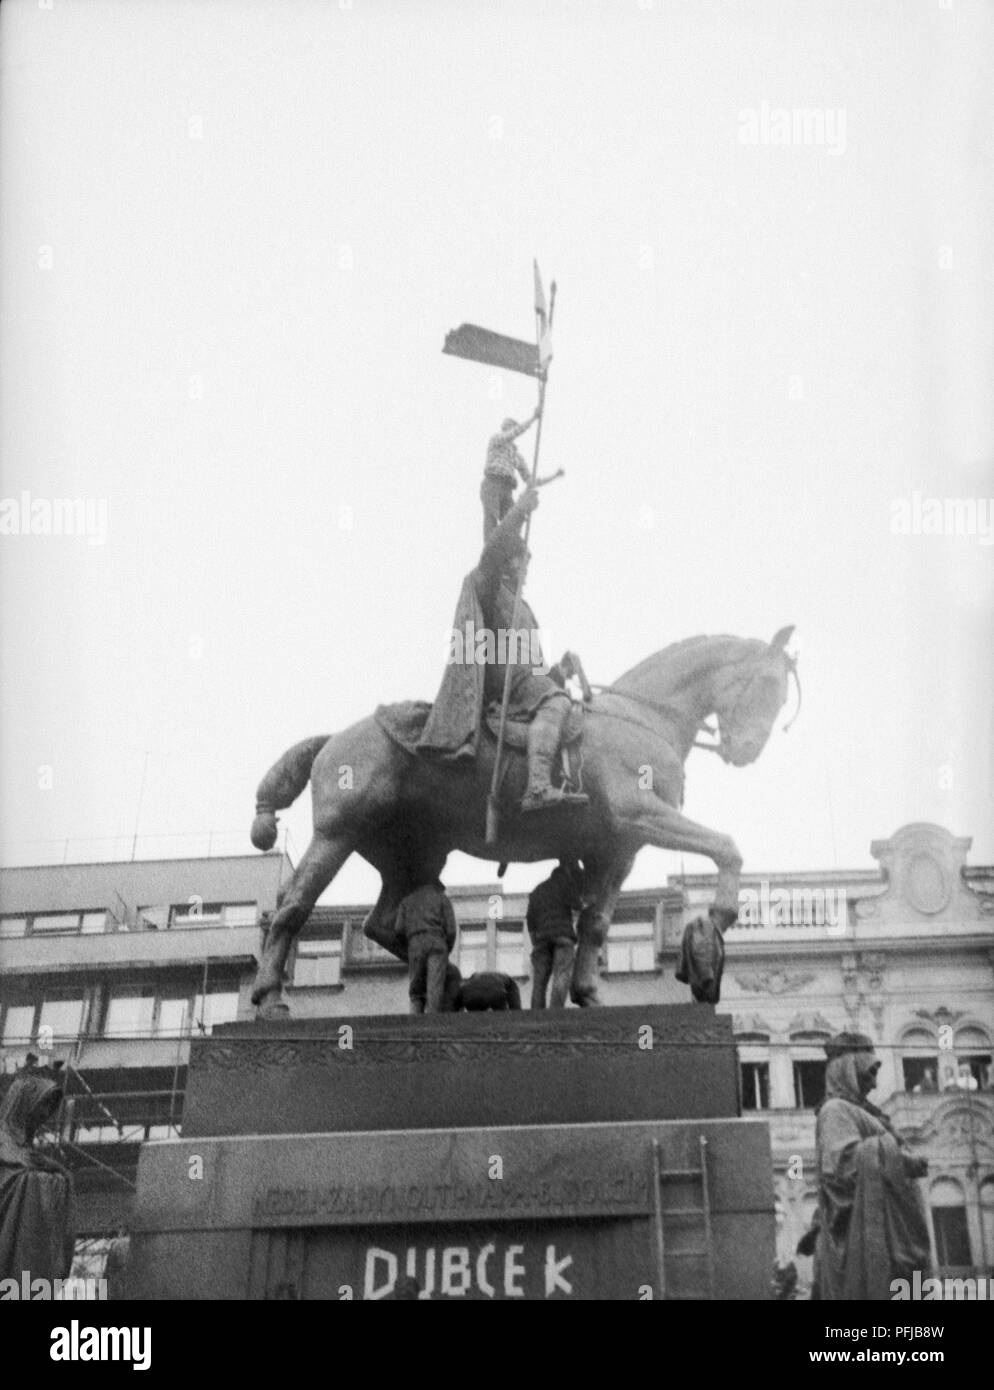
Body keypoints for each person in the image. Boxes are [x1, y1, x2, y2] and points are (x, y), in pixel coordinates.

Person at [417, 484, 589, 812]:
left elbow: (533, 666)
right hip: (503, 685)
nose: (526, 568)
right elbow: (491, 553)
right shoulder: (492, 590)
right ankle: (537, 787)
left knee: (557, 693)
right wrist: (519, 512)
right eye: (522, 561)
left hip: (526, 683)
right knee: (556, 702)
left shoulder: (523, 607)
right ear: (507, 563)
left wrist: (559, 670)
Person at [810, 1033, 930, 1300]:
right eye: (869, 1072)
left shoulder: (864, 1112)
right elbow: (841, 1167)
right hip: (865, 1242)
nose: (875, 1083)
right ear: (848, 1070)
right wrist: (900, 1159)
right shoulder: (835, 1111)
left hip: (896, 1231)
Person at [0, 1058, 75, 1283]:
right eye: (42, 1104)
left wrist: (59, 1178)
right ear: (24, 1103)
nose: (45, 1114)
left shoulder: (32, 1154)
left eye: (49, 1107)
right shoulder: (3, 1142)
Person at [526, 860, 584, 1008]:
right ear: (566, 873)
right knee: (561, 975)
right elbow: (577, 905)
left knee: (539, 982)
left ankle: (537, 1016)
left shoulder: (537, 891)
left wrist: (536, 941)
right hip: (562, 936)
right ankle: (555, 1013)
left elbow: (530, 920)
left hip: (541, 940)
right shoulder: (565, 883)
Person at [395, 879, 457, 1014]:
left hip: (415, 943)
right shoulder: (442, 899)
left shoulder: (406, 901)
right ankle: (432, 1022)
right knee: (434, 987)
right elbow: (451, 930)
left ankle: (415, 1021)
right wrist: (447, 949)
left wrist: (410, 942)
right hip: (437, 942)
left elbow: (399, 929)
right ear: (437, 886)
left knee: (416, 989)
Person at [480, 410, 539, 540]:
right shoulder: (497, 439)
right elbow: (513, 433)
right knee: (491, 517)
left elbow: (529, 480)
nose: (510, 432)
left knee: (513, 519)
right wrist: (533, 418)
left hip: (507, 489)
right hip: (492, 483)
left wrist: (554, 476)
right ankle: (490, 546)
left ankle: (510, 547)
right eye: (508, 429)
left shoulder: (516, 455)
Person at [451, 970, 522, 1011]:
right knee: (501, 1017)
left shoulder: (470, 982)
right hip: (497, 994)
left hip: (471, 998)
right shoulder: (508, 979)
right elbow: (515, 1004)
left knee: (475, 1017)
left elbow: (457, 1001)